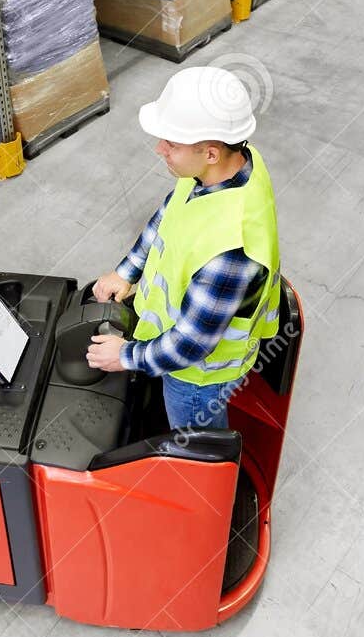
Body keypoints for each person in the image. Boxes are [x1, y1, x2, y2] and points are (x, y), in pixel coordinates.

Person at [86, 66, 281, 431]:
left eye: (171, 143)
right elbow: (169, 215)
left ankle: (208, 485)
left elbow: (191, 345)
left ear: (210, 152)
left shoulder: (231, 250)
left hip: (198, 375)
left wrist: (125, 356)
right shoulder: (223, 166)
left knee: (194, 447)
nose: (160, 149)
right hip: (179, 339)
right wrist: (127, 271)